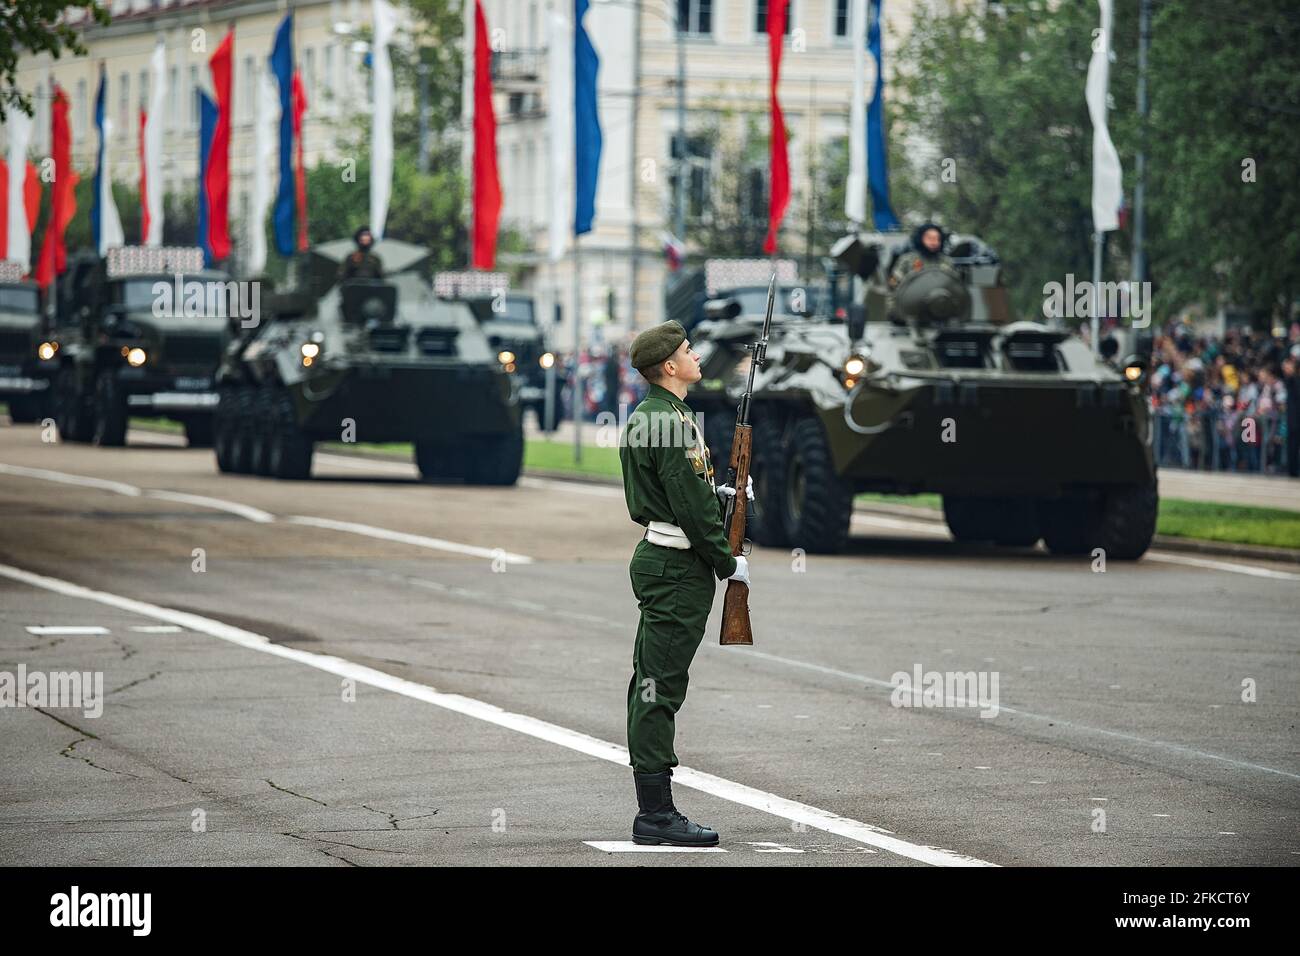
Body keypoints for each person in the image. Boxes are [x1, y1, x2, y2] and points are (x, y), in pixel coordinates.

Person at [618, 319, 752, 847]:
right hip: (677, 567)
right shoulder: (668, 420)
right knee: (659, 687)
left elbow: (678, 487)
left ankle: (655, 807)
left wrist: (719, 493)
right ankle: (655, 815)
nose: (697, 355)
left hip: (665, 558)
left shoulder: (659, 415)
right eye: (688, 350)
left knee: (652, 680)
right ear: (670, 366)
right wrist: (726, 561)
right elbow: (686, 501)